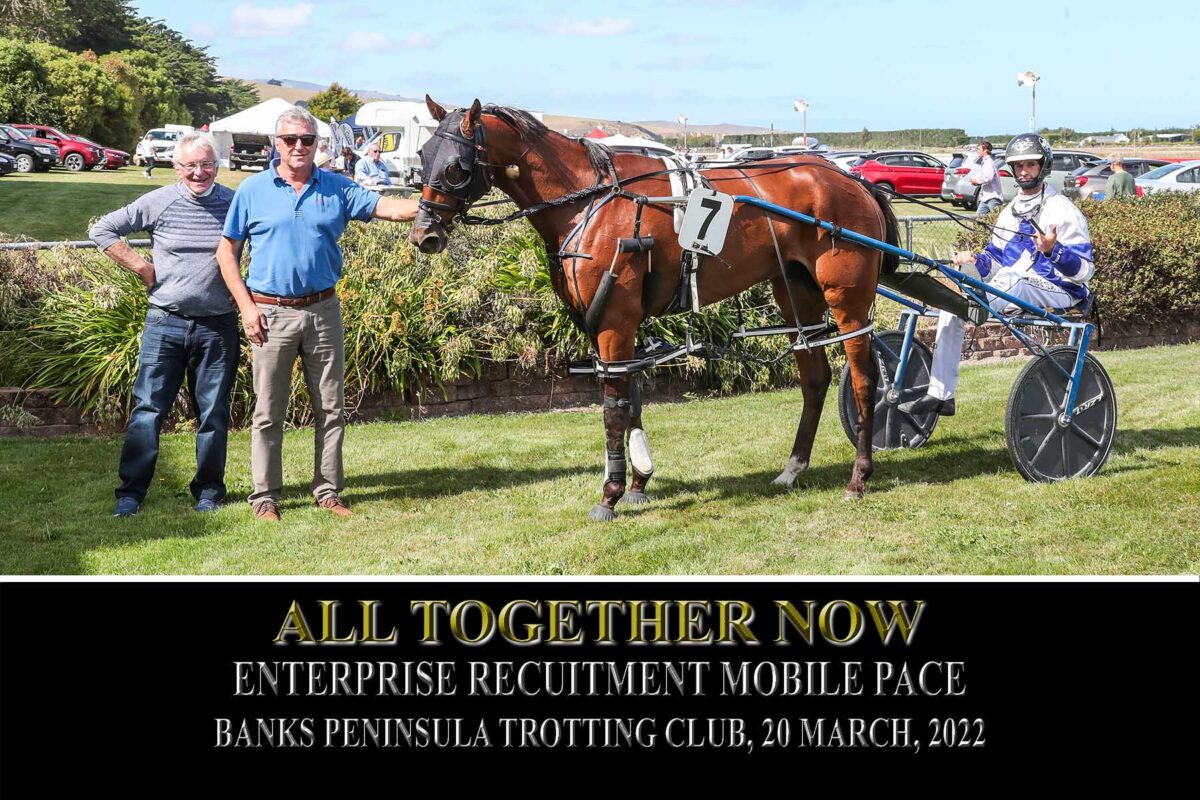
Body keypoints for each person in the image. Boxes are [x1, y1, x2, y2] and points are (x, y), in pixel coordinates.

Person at [216, 107, 419, 521]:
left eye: (306, 140)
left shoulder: (337, 188)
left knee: (330, 407)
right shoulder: (253, 190)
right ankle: (264, 498)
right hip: (270, 313)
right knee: (268, 411)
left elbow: (389, 208)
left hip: (324, 311)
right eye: (290, 139)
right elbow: (226, 252)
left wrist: (435, 202)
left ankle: (328, 491)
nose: (298, 147)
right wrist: (246, 307)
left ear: (317, 144)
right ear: (277, 143)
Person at [89, 133, 239, 516]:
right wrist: (141, 266)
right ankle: (130, 494)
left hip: (217, 326)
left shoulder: (233, 204)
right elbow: (102, 229)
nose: (199, 172)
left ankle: (208, 492)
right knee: (148, 411)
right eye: (190, 165)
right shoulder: (159, 201)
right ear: (177, 168)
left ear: (216, 167)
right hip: (165, 323)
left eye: (206, 164)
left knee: (213, 413)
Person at [899, 133, 1094, 416]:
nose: (1024, 171)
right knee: (950, 303)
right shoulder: (1008, 212)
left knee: (1012, 280)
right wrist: (974, 262)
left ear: (1044, 166)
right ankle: (941, 394)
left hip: (1061, 289)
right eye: (1019, 166)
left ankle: (977, 300)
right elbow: (996, 260)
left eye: (1031, 164)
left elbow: (1085, 271)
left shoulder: (1064, 210)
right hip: (1013, 287)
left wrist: (1054, 251)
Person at [970, 141, 1003, 216]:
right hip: (985, 198)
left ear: (985, 150)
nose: (977, 151)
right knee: (978, 220)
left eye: (979, 149)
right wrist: (977, 182)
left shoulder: (989, 162)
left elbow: (988, 178)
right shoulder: (985, 162)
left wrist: (976, 181)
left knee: (996, 220)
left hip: (993, 198)